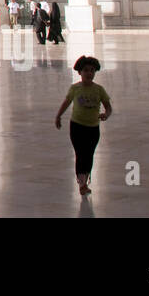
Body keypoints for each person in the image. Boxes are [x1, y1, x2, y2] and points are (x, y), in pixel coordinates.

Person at [55, 55, 112, 196]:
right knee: (80, 154)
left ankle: (85, 180)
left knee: (89, 155)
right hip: (77, 127)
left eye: (92, 70)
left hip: (93, 128)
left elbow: (108, 107)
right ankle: (82, 184)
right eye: (86, 70)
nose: (89, 73)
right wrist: (59, 115)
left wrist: (106, 114)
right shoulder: (75, 88)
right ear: (80, 72)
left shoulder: (99, 90)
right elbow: (66, 102)